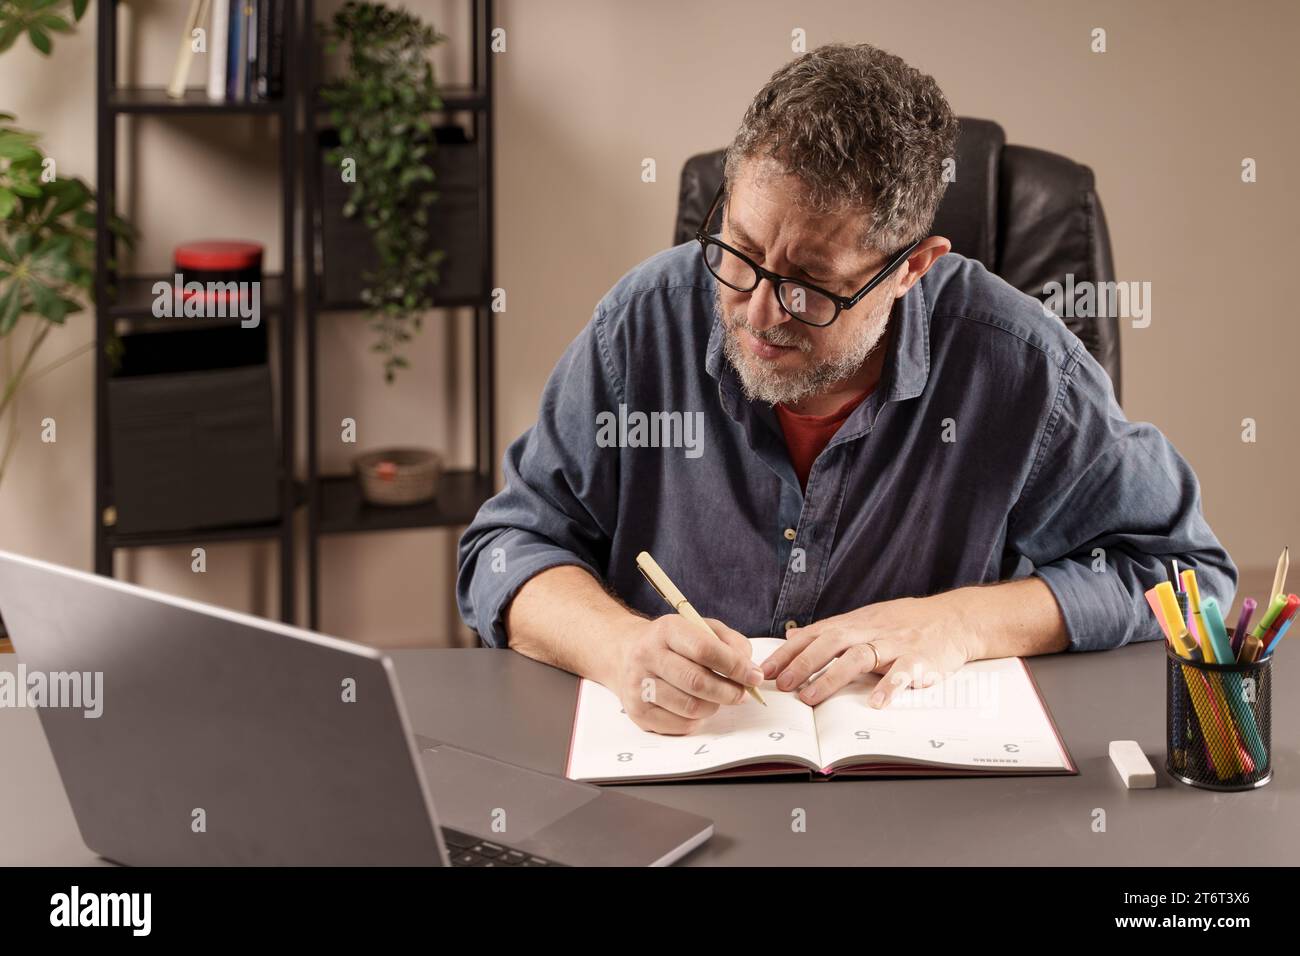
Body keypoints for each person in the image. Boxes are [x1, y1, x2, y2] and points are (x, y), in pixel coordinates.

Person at [457, 43, 1236, 734]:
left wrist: (959, 623)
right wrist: (621, 648)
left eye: (810, 285)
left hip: (920, 798)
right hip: (675, 779)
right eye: (740, 251)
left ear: (912, 268)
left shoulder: (1020, 364)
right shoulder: (642, 324)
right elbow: (507, 548)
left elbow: (1187, 576)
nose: (759, 313)